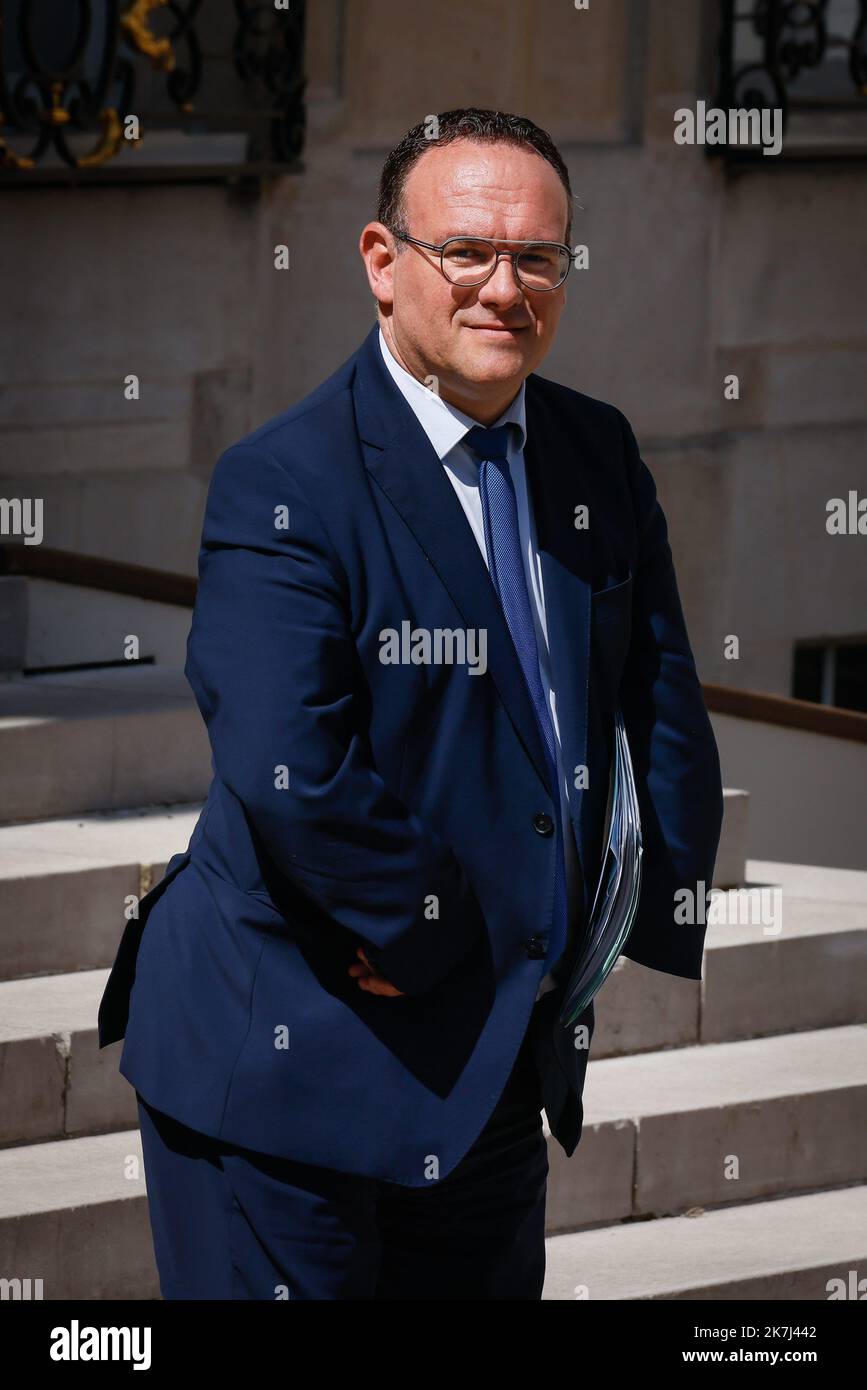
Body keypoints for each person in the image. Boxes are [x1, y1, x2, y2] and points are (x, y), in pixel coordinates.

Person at [98, 108, 724, 1300]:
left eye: (539, 257)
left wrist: (634, 913)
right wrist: (451, 930)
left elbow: (657, 692)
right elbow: (292, 762)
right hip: (290, 1060)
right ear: (383, 264)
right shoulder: (284, 480)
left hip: (490, 1067)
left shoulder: (596, 452)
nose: (506, 287)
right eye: (468, 253)